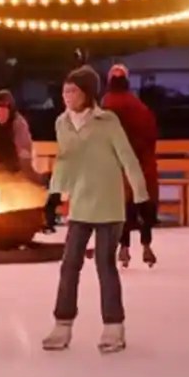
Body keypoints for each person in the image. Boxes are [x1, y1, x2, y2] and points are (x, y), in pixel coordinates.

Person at [42, 67, 152, 354]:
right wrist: (54, 194)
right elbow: (66, 161)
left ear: (87, 94)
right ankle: (62, 324)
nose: (67, 97)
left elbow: (127, 158)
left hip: (108, 206)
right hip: (79, 204)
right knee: (69, 266)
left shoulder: (107, 121)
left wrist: (141, 196)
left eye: (73, 91)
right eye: (65, 91)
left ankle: (113, 327)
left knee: (105, 265)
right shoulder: (62, 123)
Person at [101, 65, 161, 267]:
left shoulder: (106, 104)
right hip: (140, 162)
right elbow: (150, 134)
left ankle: (124, 246)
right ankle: (146, 243)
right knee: (142, 202)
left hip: (117, 164)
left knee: (122, 207)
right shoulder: (137, 105)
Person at [0, 89, 37, 178]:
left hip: (19, 168)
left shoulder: (19, 123)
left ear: (9, 111)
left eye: (3, 113)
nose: (0, 117)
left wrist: (23, 172)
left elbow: (24, 151)